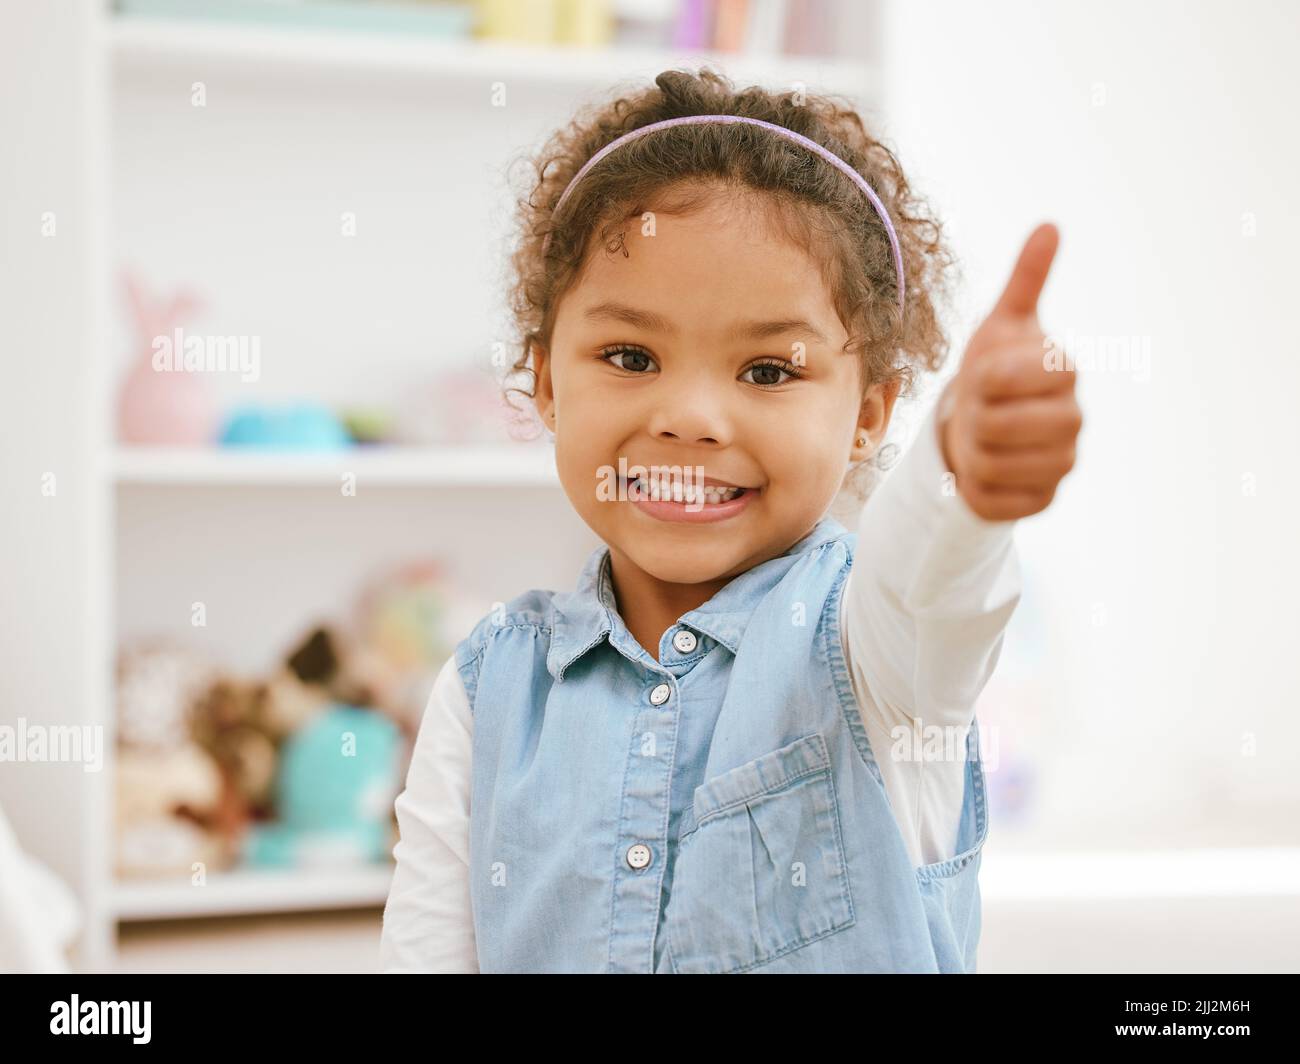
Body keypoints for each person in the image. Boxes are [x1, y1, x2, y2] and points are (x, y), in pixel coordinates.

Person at [380, 69, 1080, 973]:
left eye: (768, 371)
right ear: (547, 381)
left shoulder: (880, 651)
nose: (692, 417)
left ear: (869, 412)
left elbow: (935, 579)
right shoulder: (487, 686)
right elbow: (427, 948)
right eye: (630, 355)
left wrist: (965, 468)